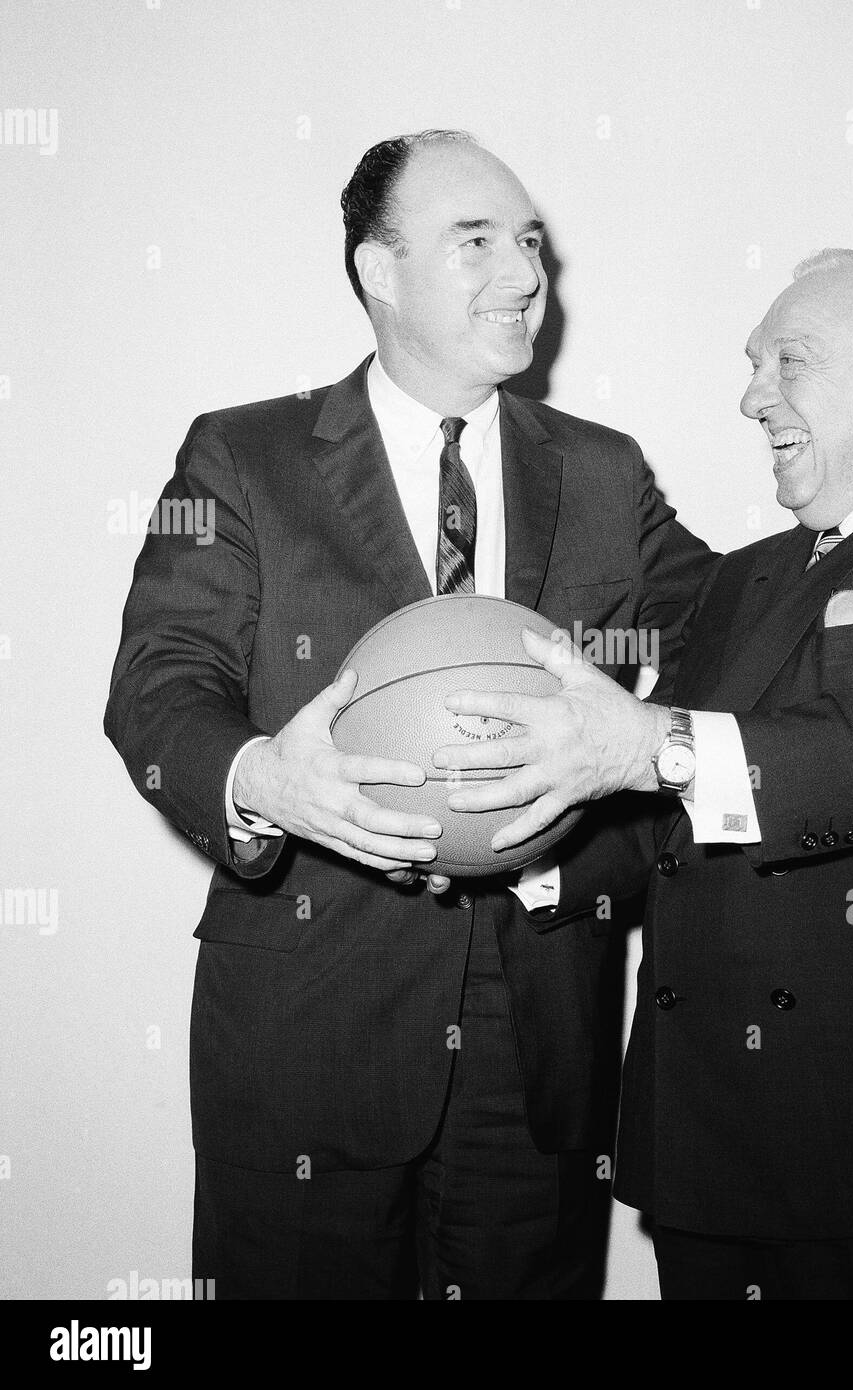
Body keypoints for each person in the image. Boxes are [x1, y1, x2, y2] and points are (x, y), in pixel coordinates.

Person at [435, 245, 853, 1299]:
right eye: (754, 364)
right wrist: (505, 839)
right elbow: (681, 814)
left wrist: (639, 742)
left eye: (788, 361)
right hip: (715, 1160)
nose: (751, 397)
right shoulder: (745, 577)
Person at [104, 129, 714, 1300]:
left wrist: (600, 814)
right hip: (303, 1026)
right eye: (474, 240)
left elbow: (724, 632)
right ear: (378, 271)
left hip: (540, 1038)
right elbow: (158, 683)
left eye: (530, 242)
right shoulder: (243, 455)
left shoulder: (603, 470)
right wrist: (260, 781)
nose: (524, 274)